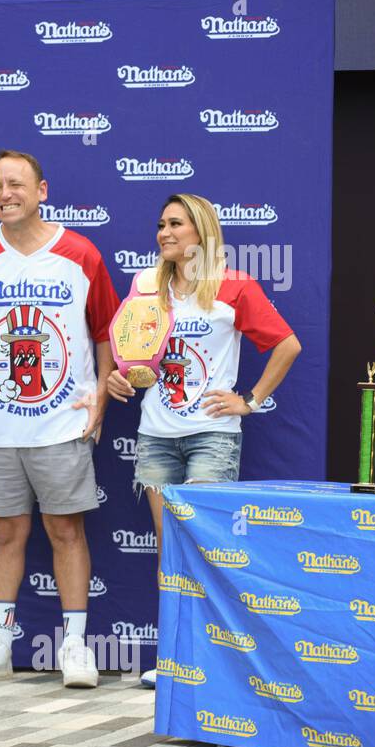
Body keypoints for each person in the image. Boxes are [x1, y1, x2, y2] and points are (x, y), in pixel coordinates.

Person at [0, 150, 120, 689]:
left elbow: (106, 332)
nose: (5, 194)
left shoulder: (80, 254)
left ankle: (75, 647)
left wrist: (100, 397)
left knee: (66, 530)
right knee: (5, 532)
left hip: (62, 424)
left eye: (16, 184)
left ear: (42, 190)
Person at [106, 193, 301, 686]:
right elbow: (130, 354)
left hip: (212, 434)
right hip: (156, 434)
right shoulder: (145, 285)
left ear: (202, 231)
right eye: (161, 224)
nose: (164, 233)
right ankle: (175, 658)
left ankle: (214, 661)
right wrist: (118, 376)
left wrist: (249, 399)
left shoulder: (234, 286)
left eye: (176, 224)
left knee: (203, 545)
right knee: (171, 549)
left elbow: (287, 345)